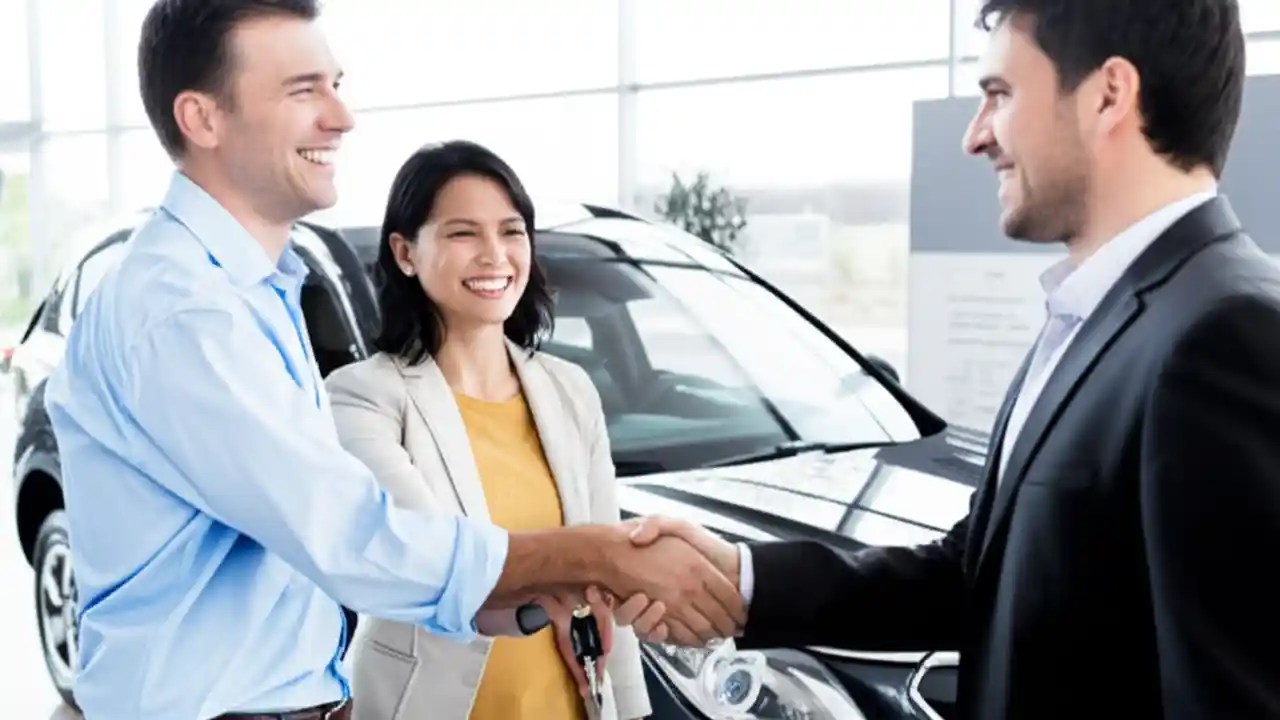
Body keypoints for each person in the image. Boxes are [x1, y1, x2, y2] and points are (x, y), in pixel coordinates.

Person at [42, 2, 741, 718]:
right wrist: (597, 555)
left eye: (336, 84)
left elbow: (296, 565)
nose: (341, 118)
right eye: (304, 89)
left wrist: (550, 591)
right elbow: (350, 538)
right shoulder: (186, 313)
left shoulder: (249, 294)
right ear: (203, 119)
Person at [621, 1, 1280, 718]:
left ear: (1108, 95)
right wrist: (742, 577)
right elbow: (974, 576)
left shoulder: (1223, 336)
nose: (975, 137)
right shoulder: (1106, 312)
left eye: (999, 94)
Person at [324, 140, 651, 720]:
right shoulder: (361, 397)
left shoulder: (569, 389)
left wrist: (629, 706)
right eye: (463, 233)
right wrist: (584, 570)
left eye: (512, 231)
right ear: (405, 252)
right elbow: (433, 561)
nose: (494, 255)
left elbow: (609, 584)